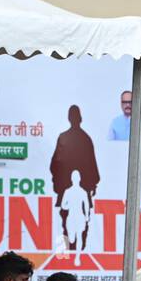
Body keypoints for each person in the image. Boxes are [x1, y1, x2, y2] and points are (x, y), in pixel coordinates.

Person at [50, 105, 101, 254]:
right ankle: (72, 251)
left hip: (79, 189)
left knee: (73, 222)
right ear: (79, 118)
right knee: (71, 222)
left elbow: (54, 165)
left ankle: (75, 251)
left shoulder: (71, 138)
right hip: (74, 189)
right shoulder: (83, 139)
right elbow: (55, 164)